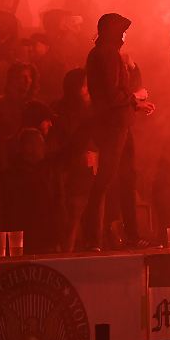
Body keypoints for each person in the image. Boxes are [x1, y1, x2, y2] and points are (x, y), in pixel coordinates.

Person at [84, 13, 154, 250]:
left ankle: (129, 235)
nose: (125, 36)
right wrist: (136, 96)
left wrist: (135, 105)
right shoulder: (107, 55)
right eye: (122, 31)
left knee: (126, 178)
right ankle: (94, 237)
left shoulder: (103, 54)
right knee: (106, 179)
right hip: (113, 127)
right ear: (113, 32)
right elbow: (113, 96)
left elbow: (112, 96)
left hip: (120, 124)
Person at [50, 69, 97, 252]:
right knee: (72, 217)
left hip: (90, 172)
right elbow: (63, 143)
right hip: (70, 173)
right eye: (84, 85)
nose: (88, 88)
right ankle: (67, 255)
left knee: (89, 215)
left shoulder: (94, 109)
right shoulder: (61, 111)